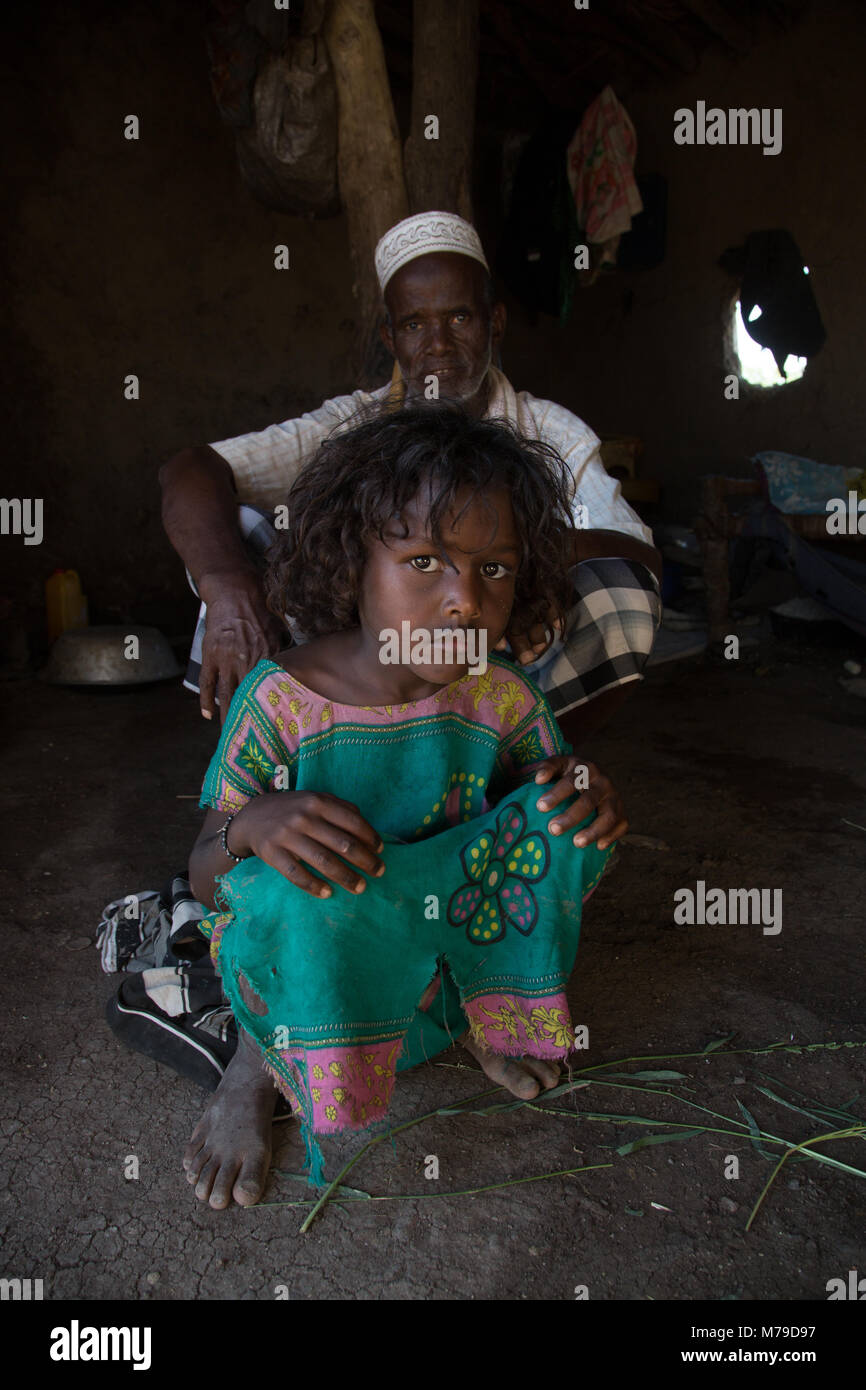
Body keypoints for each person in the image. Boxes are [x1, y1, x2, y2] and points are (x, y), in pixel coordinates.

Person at [183, 406, 628, 1208]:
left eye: (494, 569)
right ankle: (255, 1065)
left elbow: (548, 800)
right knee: (285, 884)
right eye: (425, 560)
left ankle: (493, 1017)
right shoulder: (281, 703)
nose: (464, 599)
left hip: (439, 946)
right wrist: (250, 828)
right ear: (354, 560)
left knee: (564, 822)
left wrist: (582, 797)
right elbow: (208, 881)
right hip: (325, 966)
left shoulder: (501, 697)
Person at [160, 211, 662, 747]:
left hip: (488, 655)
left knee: (624, 595)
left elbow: (637, 554)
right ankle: (279, 761)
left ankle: (514, 765)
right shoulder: (352, 423)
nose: (439, 344)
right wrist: (228, 589)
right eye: (415, 323)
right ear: (390, 337)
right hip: (361, 663)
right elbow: (191, 470)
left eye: (460, 319)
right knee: (237, 528)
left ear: (495, 322)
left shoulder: (549, 429)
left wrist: (530, 578)